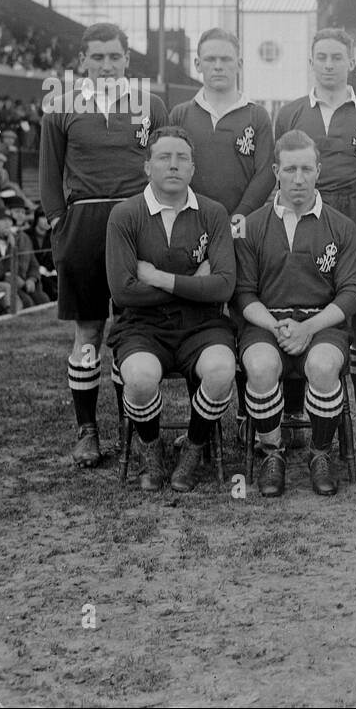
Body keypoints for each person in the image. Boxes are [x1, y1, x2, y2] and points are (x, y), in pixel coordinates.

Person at [40, 23, 169, 468]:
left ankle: (129, 426)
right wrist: (62, 227)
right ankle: (87, 429)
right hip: (85, 226)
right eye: (97, 57)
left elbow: (166, 162)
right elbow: (49, 180)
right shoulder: (59, 107)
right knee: (89, 332)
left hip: (136, 225)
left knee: (132, 328)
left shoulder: (150, 105)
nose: (106, 65)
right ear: (82, 61)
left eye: (114, 56)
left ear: (127, 60)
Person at [105, 126, 237, 493]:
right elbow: (123, 291)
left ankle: (194, 449)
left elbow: (224, 285)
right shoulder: (124, 215)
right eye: (164, 157)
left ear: (193, 168)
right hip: (142, 327)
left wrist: (161, 279)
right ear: (147, 166)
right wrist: (195, 285)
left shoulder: (213, 213)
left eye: (182, 158)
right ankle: (150, 450)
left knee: (221, 368)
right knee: (141, 377)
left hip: (202, 325)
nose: (173, 166)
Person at [235, 130, 356, 497]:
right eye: (290, 168)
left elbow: (352, 294)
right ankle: (271, 452)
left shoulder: (341, 225)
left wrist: (307, 328)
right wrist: (279, 327)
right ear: (276, 170)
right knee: (258, 367)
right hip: (267, 323)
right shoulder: (252, 225)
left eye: (306, 168)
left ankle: (319, 452)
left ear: (319, 170)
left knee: (324, 367)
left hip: (322, 323)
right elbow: (243, 293)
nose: (298, 178)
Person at [273, 28, 356, 447]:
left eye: (337, 57)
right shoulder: (290, 113)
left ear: (351, 62)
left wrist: (347, 200)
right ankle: (293, 412)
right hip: (304, 213)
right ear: (311, 62)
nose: (329, 64)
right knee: (297, 303)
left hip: (353, 213)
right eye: (321, 57)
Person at [166, 28, 275, 219]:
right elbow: (171, 168)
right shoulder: (180, 115)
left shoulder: (257, 115)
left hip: (242, 222)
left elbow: (266, 174)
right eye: (210, 59)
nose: (218, 66)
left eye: (226, 59)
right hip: (190, 220)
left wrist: (240, 215)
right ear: (198, 64)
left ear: (239, 64)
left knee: (238, 250)